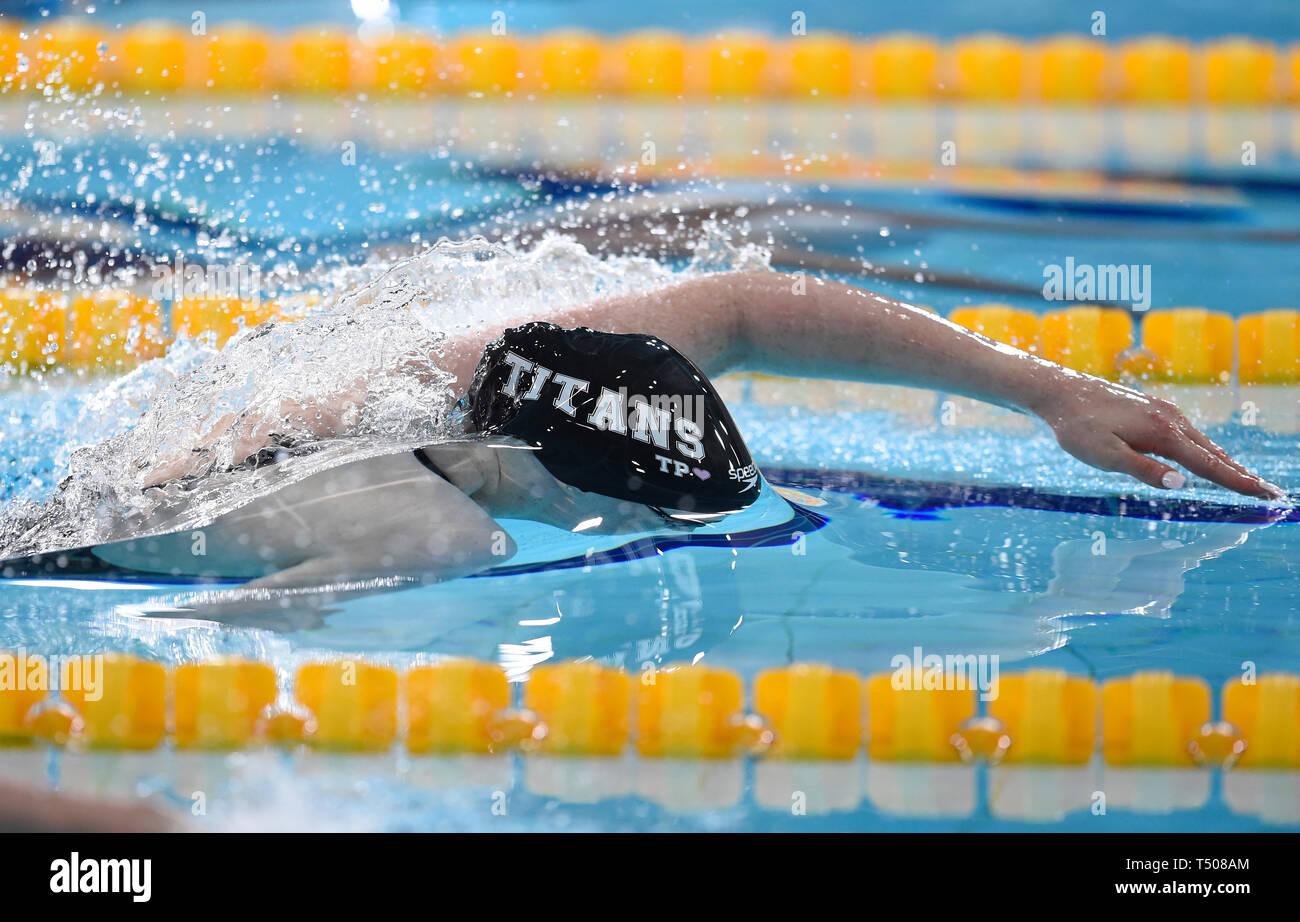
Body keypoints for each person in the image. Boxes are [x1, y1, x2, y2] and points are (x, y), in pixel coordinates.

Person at [66, 270, 1291, 590]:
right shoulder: (431, 528)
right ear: (548, 465)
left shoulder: (506, 366)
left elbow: (751, 305)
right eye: (641, 507)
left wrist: (1048, 390)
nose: (637, 527)